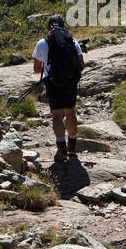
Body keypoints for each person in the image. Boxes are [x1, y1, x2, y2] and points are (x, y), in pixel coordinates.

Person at [31, 14, 85, 162]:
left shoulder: (43, 42)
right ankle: (72, 146)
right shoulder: (72, 41)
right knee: (70, 112)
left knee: (56, 115)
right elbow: (81, 64)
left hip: (53, 82)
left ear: (48, 27)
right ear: (63, 25)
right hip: (70, 82)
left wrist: (49, 65)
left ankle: (61, 149)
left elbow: (36, 69)